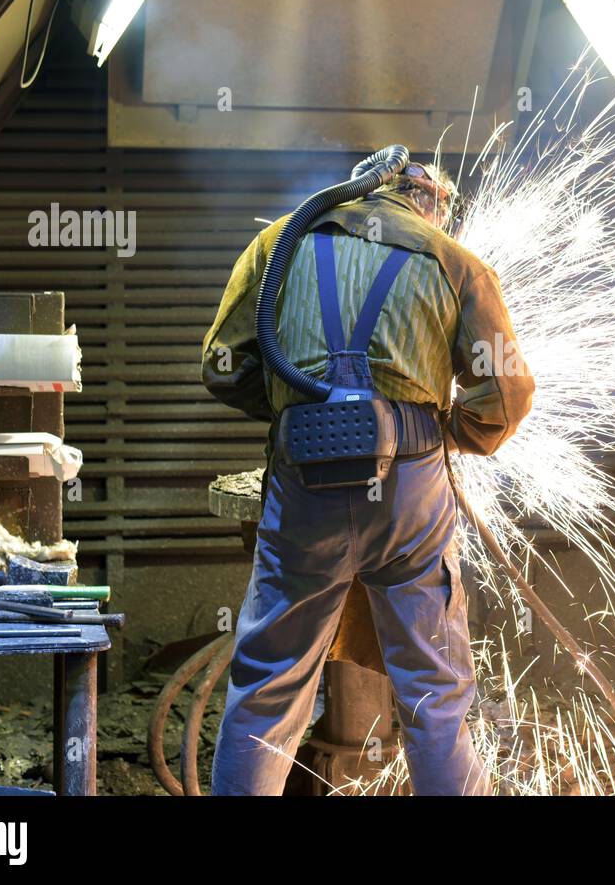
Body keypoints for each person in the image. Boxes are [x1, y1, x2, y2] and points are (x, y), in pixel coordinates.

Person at [200, 160, 533, 795]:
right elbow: (507, 396)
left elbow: (221, 366)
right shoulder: (454, 260)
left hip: (306, 489)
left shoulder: (276, 245)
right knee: (435, 690)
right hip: (409, 492)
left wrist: (300, 412)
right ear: (430, 202)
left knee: (269, 680)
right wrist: (449, 432)